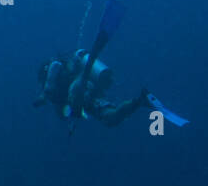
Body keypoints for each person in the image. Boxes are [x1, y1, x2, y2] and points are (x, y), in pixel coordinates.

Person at [33, 51, 187, 128]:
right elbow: (62, 108)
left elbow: (48, 96)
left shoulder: (52, 90)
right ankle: (141, 100)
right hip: (88, 93)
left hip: (82, 86)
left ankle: (86, 72)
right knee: (110, 119)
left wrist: (40, 100)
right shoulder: (56, 95)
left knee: (76, 93)